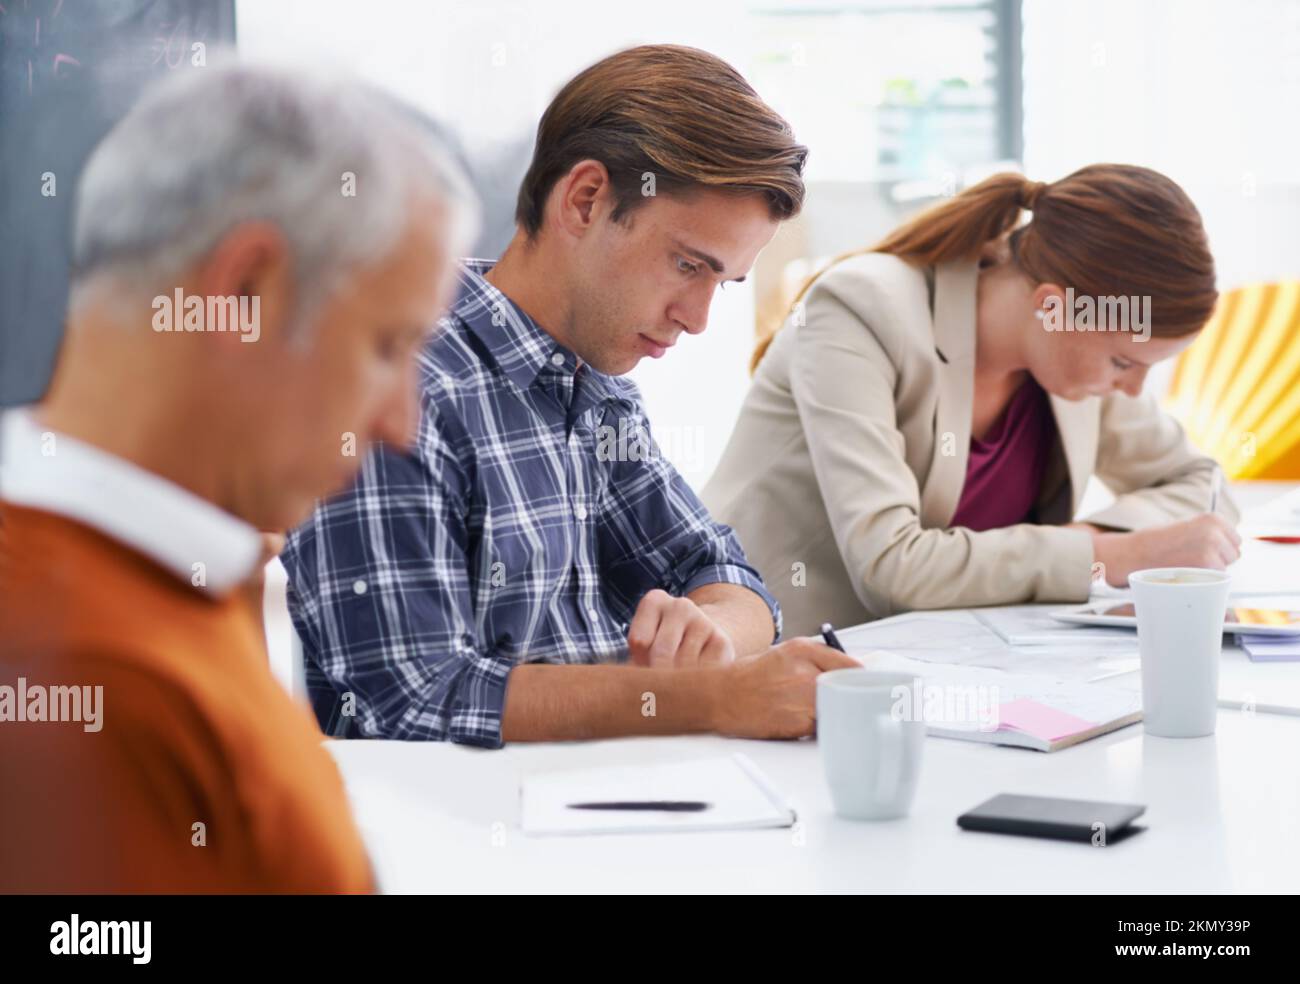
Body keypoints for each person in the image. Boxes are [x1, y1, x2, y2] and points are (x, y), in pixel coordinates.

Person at [281, 44, 858, 747]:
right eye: (687, 265)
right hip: (460, 833)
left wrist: (709, 635)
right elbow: (416, 699)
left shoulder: (593, 383)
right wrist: (702, 697)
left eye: (724, 283)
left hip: (603, 804)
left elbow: (721, 571)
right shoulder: (394, 389)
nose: (699, 318)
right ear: (585, 201)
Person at [0, 61, 477, 891]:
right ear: (244, 292)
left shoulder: (162, 576)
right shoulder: (92, 680)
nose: (403, 423)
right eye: (388, 347)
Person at [703, 165, 1242, 637]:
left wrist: (1091, 539)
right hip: (769, 653)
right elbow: (892, 570)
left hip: (951, 660)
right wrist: (1111, 556)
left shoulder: (1071, 362)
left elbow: (1205, 487)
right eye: (1125, 363)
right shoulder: (863, 308)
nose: (1132, 388)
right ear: (1053, 307)